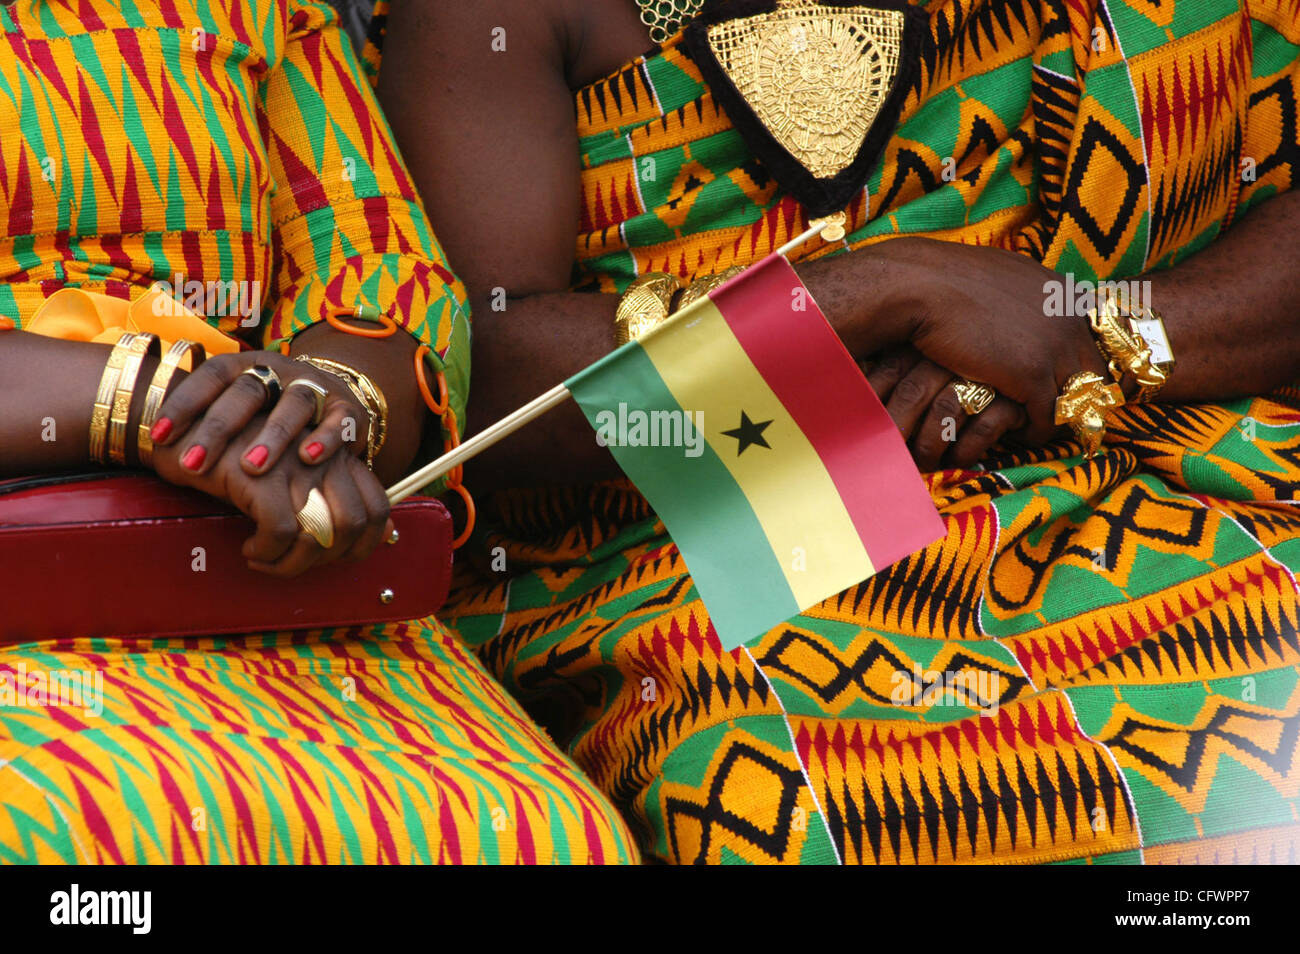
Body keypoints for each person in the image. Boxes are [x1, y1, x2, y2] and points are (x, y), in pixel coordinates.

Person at [377, 0, 1300, 863]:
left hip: (1152, 466)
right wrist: (888, 293)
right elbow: (476, 377)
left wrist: (1084, 335)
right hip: (702, 545)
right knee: (822, 809)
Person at [0, 0, 636, 864]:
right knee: (84, 829)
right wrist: (155, 398)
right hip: (33, 584)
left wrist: (325, 409)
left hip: (270, 559)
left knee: (544, 838)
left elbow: (380, 261)